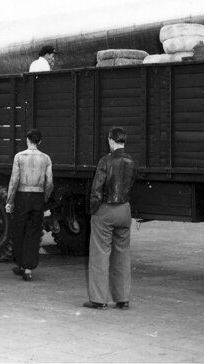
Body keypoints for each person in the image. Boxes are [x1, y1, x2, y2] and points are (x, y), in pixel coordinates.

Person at [84, 126, 138, 310]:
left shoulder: (105, 161)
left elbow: (96, 190)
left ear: (111, 140)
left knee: (100, 254)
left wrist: (93, 210)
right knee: (122, 254)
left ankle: (99, 300)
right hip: (124, 209)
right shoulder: (131, 161)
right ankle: (123, 299)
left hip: (106, 210)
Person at [5, 129, 53, 281]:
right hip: (38, 196)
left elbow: (14, 181)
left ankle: (20, 263)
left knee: (19, 231)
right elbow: (50, 182)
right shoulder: (46, 158)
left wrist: (10, 201)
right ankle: (28, 268)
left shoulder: (19, 157)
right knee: (33, 233)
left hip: (22, 196)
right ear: (40, 142)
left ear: (27, 140)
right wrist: (44, 197)